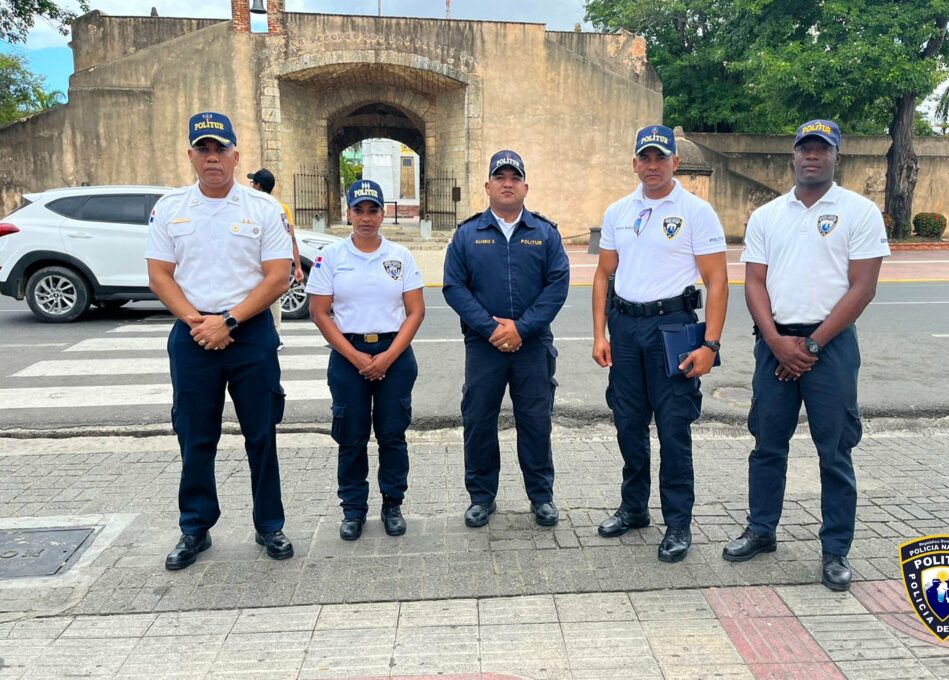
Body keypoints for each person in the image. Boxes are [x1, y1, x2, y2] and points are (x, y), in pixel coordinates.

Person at [722, 119, 890, 591]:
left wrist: (812, 345)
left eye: (822, 149)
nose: (811, 156)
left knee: (835, 451)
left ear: (837, 156)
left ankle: (835, 549)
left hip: (830, 349)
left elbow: (864, 287)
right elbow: (754, 282)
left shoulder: (859, 211)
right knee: (767, 444)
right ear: (793, 155)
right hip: (774, 344)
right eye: (804, 148)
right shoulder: (768, 215)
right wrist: (775, 340)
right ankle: (761, 529)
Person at [146, 112, 295, 570]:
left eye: (220, 149)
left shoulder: (262, 209)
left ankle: (269, 524)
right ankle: (195, 527)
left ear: (236, 155)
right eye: (203, 149)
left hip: (249, 335)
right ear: (191, 155)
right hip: (193, 336)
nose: (213, 158)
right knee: (194, 435)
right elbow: (159, 275)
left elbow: (278, 276)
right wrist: (199, 322)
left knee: (261, 434)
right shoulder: (170, 209)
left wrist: (227, 321)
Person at [592, 125, 728, 563]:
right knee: (628, 424)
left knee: (673, 429)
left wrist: (710, 344)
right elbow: (602, 274)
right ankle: (634, 509)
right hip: (626, 328)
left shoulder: (696, 211)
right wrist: (600, 333)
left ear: (675, 162)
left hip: (673, 328)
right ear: (634, 163)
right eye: (644, 158)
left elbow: (717, 281)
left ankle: (678, 523)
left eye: (660, 158)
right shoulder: (618, 211)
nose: (652, 166)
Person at [442, 150, 569, 528]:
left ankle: (541, 497)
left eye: (515, 177)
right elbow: (454, 287)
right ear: (488, 186)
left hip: (533, 347)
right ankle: (481, 497)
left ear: (526, 186)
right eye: (500, 177)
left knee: (535, 422)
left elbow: (557, 285)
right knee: (479, 421)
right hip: (484, 347)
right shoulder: (468, 234)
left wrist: (521, 328)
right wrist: (492, 328)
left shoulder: (545, 234)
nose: (508, 183)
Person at [306, 179, 425, 541]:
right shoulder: (332, 257)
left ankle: (393, 504)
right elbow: (320, 312)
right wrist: (356, 356)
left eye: (373, 210)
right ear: (348, 212)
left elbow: (415, 312)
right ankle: (354, 509)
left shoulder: (400, 256)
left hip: (394, 354)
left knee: (392, 435)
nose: (366, 218)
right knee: (352, 436)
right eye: (359, 210)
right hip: (348, 355)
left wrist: (388, 357)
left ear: (383, 213)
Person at [247, 168, 303, 350]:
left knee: (260, 298)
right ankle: (275, 335)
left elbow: (290, 237)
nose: (251, 186)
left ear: (258, 186)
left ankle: (270, 336)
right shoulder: (282, 207)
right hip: (274, 261)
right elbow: (291, 238)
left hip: (259, 262)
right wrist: (298, 266)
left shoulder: (251, 207)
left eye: (252, 183)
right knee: (273, 299)